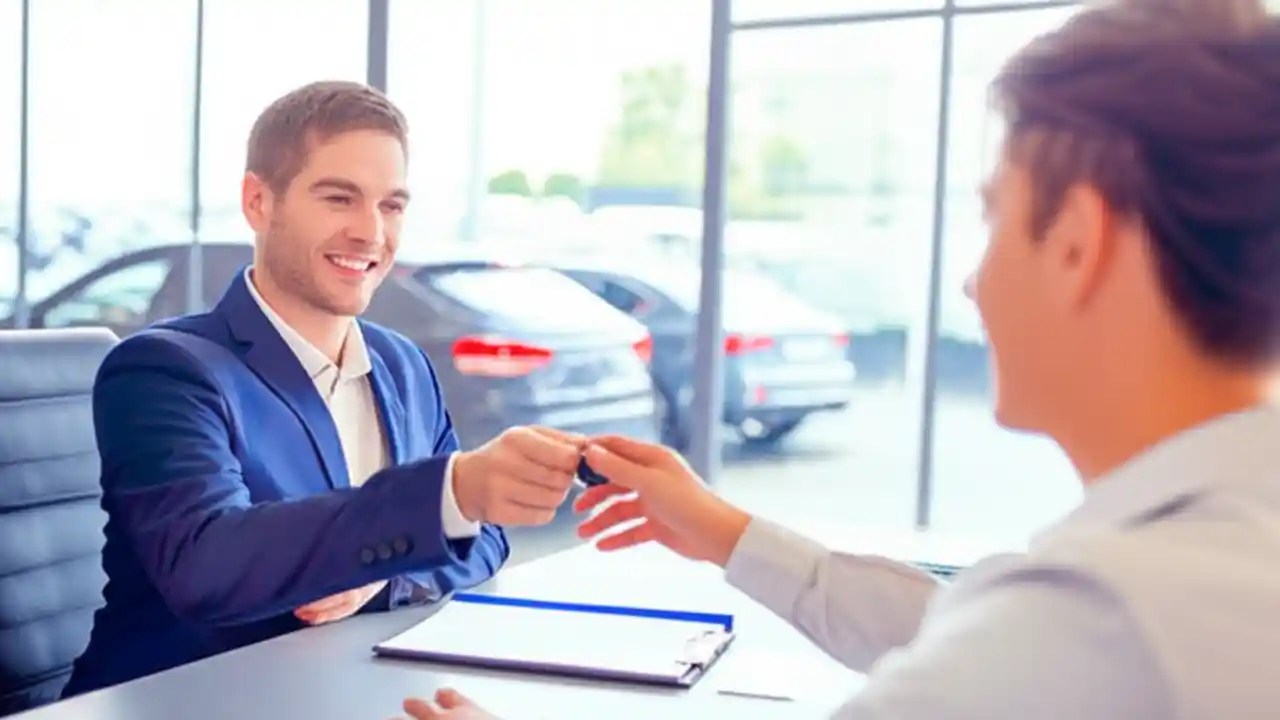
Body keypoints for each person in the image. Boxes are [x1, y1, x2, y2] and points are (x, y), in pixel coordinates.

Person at [399, 0, 1280, 717]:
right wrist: (723, 531)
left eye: (995, 217)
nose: (974, 284)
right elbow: (957, 630)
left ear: (1078, 245)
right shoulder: (1202, 566)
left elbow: (1004, 648)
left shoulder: (1094, 627)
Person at [63, 81, 587, 696]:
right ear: (259, 202)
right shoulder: (165, 371)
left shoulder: (403, 366)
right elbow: (207, 564)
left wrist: (383, 575)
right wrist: (449, 494)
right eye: (340, 198)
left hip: (351, 695)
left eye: (392, 206)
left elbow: (486, 541)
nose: (371, 232)